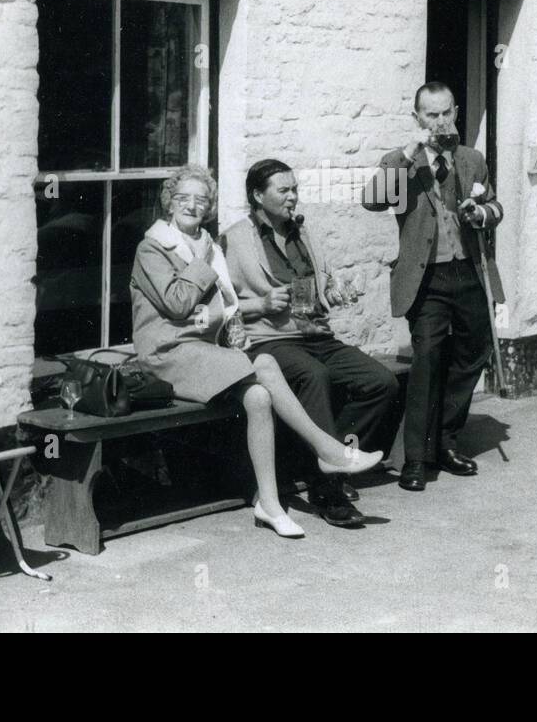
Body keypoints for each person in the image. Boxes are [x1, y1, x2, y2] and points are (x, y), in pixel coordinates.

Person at [130, 164, 382, 538]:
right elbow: (179, 304)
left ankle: (269, 503)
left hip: (204, 350)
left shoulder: (208, 246)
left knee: (260, 396)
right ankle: (327, 450)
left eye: (202, 200)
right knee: (264, 362)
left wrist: (237, 330)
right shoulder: (153, 247)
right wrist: (202, 259)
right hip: (167, 352)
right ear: (169, 202)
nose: (193, 206)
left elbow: (226, 307)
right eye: (184, 198)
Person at [220, 159, 398, 528]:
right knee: (314, 376)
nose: (292, 197)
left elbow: (322, 285)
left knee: (382, 383)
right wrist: (261, 304)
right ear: (258, 195)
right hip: (269, 340)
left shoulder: (304, 233)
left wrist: (333, 293)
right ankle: (328, 489)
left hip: (315, 333)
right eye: (283, 190)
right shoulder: (234, 239)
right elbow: (219, 304)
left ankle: (331, 457)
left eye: (295, 189)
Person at [362, 82, 505, 492]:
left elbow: (495, 206)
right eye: (430, 114)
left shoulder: (471, 159)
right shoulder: (400, 161)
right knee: (427, 359)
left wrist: (480, 212)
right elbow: (372, 200)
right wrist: (409, 152)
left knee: (473, 353)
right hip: (426, 278)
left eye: (445, 113)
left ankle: (444, 441)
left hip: (470, 272)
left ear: (456, 112)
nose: (439, 122)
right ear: (417, 118)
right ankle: (415, 459)